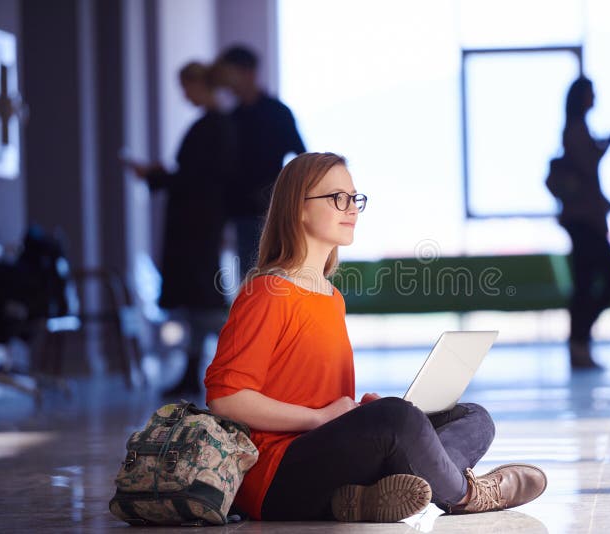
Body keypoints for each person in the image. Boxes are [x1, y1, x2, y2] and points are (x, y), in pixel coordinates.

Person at [204, 152, 547, 522]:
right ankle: (467, 495)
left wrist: (356, 410)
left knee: (473, 418)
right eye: (338, 198)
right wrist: (320, 418)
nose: (352, 208)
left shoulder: (331, 297)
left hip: (327, 459)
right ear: (298, 208)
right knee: (397, 420)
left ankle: (361, 499)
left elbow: (313, 392)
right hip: (276, 476)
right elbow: (226, 399)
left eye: (355, 199)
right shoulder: (269, 292)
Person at [127, 62, 235, 395]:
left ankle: (237, 363)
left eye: (186, 87)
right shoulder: (213, 127)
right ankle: (197, 370)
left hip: (196, 229)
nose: (184, 95)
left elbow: (197, 181)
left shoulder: (212, 128)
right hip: (198, 226)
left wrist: (159, 177)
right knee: (198, 303)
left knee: (204, 302)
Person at [211, 44, 306, 278]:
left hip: (273, 209)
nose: (227, 81)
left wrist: (295, 201)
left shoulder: (277, 113)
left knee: (277, 277)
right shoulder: (230, 118)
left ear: (248, 72)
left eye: (230, 73)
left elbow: (302, 159)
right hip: (240, 211)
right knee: (250, 279)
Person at [557, 76, 610, 370]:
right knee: (608, 279)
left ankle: (580, 344)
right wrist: (600, 149)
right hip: (583, 221)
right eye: (590, 93)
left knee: (586, 283)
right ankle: (579, 342)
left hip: (586, 219)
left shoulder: (578, 131)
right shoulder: (574, 131)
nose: (594, 98)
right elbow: (586, 170)